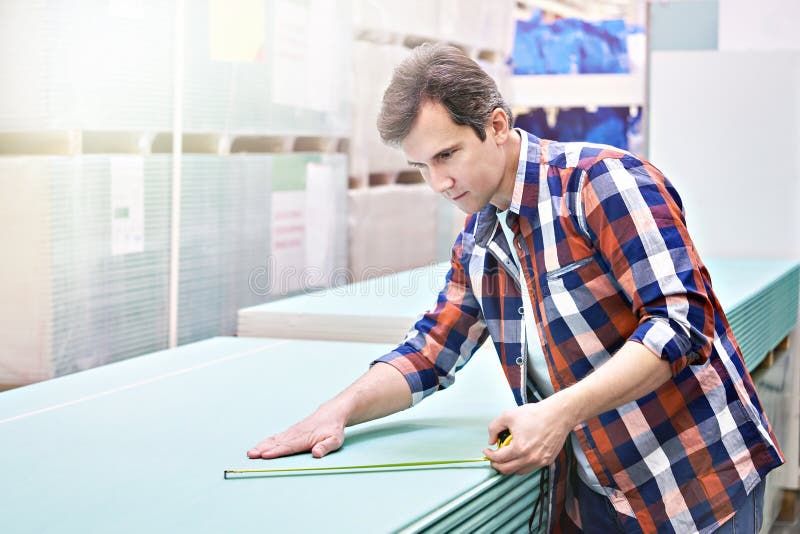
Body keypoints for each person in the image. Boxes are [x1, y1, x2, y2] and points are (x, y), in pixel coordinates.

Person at [247, 43, 783, 533]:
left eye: (447, 155)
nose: (437, 183)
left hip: (690, 486)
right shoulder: (478, 239)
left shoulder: (602, 183)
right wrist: (337, 411)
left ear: (497, 125)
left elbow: (680, 324)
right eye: (421, 166)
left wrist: (559, 413)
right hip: (592, 493)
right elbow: (430, 352)